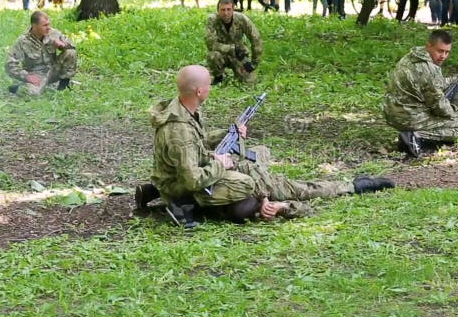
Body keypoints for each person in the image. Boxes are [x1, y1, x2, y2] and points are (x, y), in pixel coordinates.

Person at [135, 64, 395, 224]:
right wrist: (221, 164)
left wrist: (229, 134)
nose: (211, 89)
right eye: (209, 86)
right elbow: (192, 179)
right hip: (196, 186)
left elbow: (196, 143)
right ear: (199, 92)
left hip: (193, 174)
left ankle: (161, 192)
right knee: (259, 183)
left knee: (258, 155)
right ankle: (349, 187)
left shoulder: (181, 108)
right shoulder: (178, 130)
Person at [6, 11, 77, 95]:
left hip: (53, 70)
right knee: (32, 93)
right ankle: (21, 87)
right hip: (36, 75)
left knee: (70, 52)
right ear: (34, 26)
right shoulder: (23, 41)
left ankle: (63, 85)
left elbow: (72, 46)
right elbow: (10, 65)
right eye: (44, 25)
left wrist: (62, 45)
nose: (48, 28)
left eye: (48, 24)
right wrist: (27, 77)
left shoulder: (53, 33)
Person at [205, 0, 262, 85]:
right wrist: (232, 48)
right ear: (218, 10)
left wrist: (254, 62)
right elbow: (210, 43)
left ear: (233, 9)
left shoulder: (241, 19)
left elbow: (255, 38)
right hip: (221, 54)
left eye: (229, 9)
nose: (226, 13)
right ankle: (218, 77)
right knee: (213, 56)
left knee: (249, 82)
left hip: (239, 56)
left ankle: (240, 73)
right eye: (222, 10)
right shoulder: (212, 20)